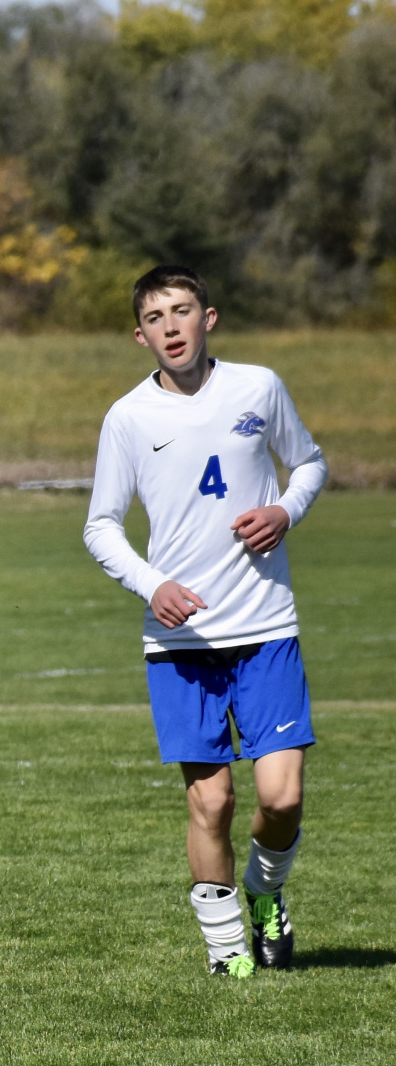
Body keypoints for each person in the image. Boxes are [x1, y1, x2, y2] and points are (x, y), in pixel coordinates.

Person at [82, 264, 327, 976]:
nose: (171, 327)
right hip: (180, 640)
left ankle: (265, 892)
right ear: (140, 335)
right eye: (156, 318)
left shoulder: (259, 387)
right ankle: (227, 955)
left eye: (182, 311)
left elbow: (308, 465)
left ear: (208, 318)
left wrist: (285, 509)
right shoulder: (128, 418)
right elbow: (101, 526)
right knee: (211, 802)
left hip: (265, 627)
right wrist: (152, 585)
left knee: (281, 798)